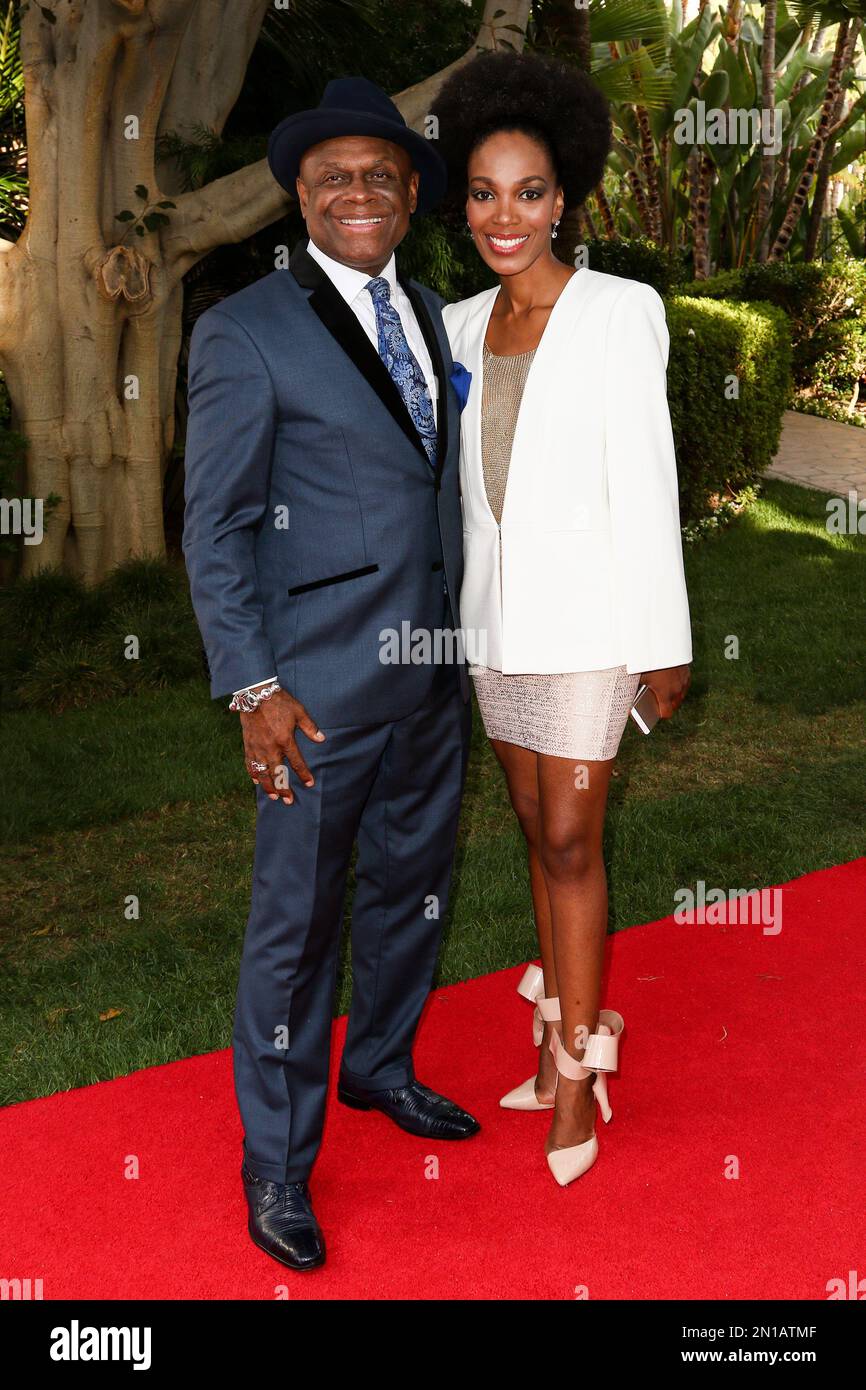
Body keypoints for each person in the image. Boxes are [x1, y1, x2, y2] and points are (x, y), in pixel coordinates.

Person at [182, 77, 479, 1273]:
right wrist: (252, 687)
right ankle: (275, 1167)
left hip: (432, 673)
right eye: (331, 176)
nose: (357, 191)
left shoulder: (434, 309)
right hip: (310, 692)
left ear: (411, 194)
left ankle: (381, 1067)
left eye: (379, 174)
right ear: (299, 197)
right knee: (297, 930)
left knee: (413, 889)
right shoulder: (243, 330)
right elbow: (211, 528)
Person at [432, 52, 692, 1187]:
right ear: (464, 203)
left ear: (564, 196)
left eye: (527, 191)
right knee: (537, 834)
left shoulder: (618, 311)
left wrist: (663, 638)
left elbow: (647, 479)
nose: (505, 215)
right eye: (485, 192)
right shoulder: (450, 327)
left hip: (591, 629)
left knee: (574, 839)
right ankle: (550, 1039)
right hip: (495, 629)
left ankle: (581, 1069)